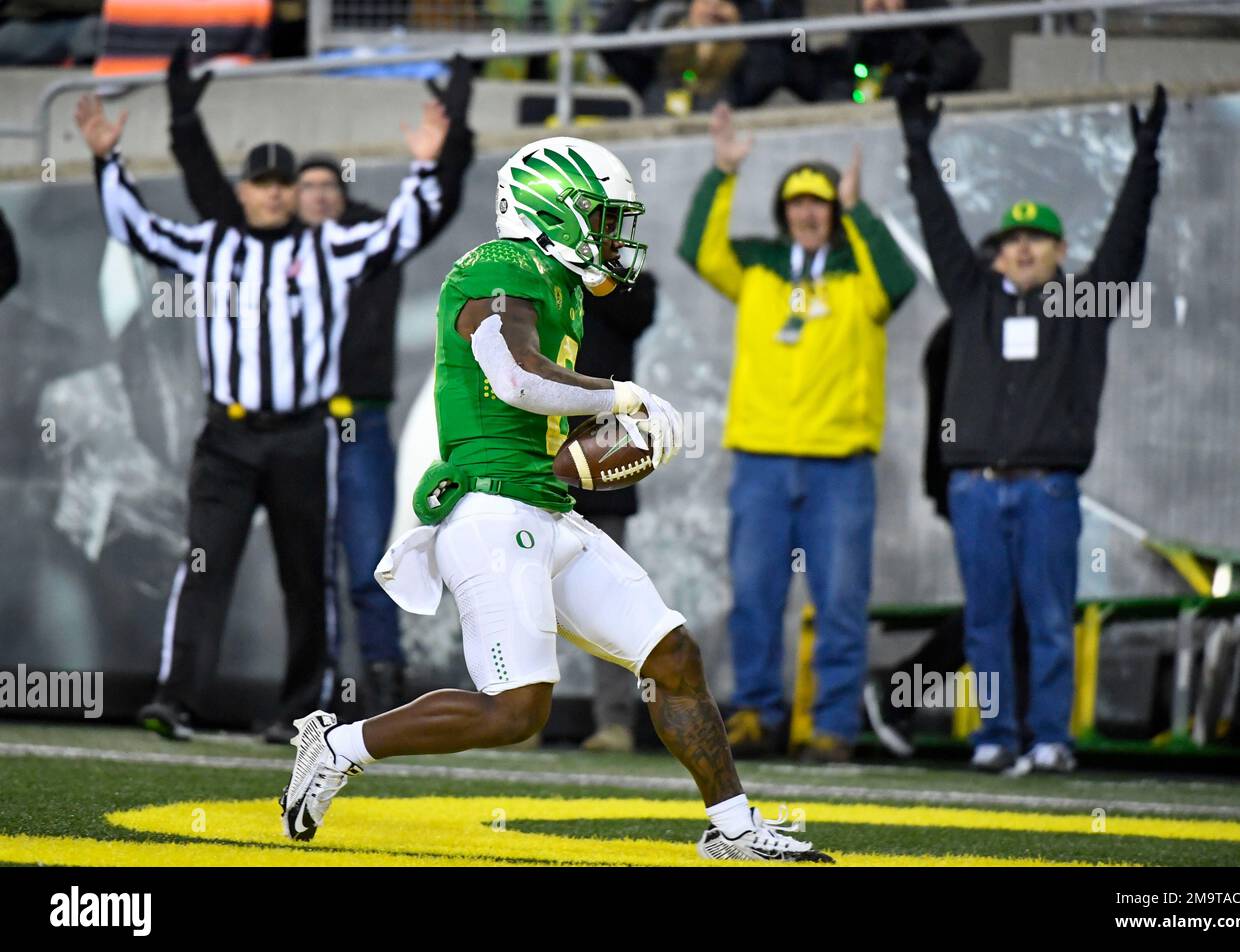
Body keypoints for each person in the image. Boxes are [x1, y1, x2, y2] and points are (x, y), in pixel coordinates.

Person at [279, 136, 835, 862]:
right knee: (516, 711)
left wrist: (619, 437)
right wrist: (624, 395)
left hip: (543, 505)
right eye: (601, 219)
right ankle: (338, 743)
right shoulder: (500, 264)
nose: (612, 236)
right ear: (553, 213)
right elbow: (513, 374)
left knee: (671, 655)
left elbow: (547, 412)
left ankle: (733, 829)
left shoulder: (562, 286)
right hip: (490, 512)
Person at [74, 90, 451, 744]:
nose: (274, 196)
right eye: (262, 184)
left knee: (306, 578)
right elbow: (136, 227)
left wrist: (424, 169)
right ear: (243, 191)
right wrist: (108, 163)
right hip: (227, 434)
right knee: (203, 563)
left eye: (283, 185)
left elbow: (401, 233)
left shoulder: (330, 249)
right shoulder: (211, 245)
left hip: (305, 434)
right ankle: (175, 696)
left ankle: (301, 709)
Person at [163, 49, 476, 724]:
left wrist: (455, 125)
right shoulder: (274, 250)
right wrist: (184, 117)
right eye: (302, 189)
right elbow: (211, 198)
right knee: (278, 567)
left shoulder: (363, 242)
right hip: (291, 423)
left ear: (346, 197)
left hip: (356, 418)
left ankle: (382, 688)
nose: (316, 196)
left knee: (366, 561)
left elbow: (435, 206)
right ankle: (281, 699)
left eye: (329, 186)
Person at [896, 76, 1166, 773]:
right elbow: (939, 226)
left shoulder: (1082, 306)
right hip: (976, 488)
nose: (1021, 249)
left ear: (1059, 251)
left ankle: (1050, 738)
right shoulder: (973, 297)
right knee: (986, 622)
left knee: (1048, 620)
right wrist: (917, 149)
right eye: (1012, 239)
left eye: (1036, 240)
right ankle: (996, 734)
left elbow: (1125, 246)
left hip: (1047, 487)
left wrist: (1145, 161)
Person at [677, 102, 916, 762]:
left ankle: (831, 725)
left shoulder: (859, 276)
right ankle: (757, 711)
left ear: (833, 213)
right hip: (760, 459)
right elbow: (699, 249)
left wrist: (860, 209)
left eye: (820, 204)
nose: (809, 213)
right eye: (797, 203)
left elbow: (900, 283)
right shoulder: (757, 269)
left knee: (840, 600)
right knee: (755, 597)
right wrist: (721, 175)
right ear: (784, 211)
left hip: (840, 462)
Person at [573, 271, 659, 753]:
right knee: (524, 589)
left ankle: (614, 720)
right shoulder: (535, 279)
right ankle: (516, 710)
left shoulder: (628, 284)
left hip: (602, 457)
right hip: (538, 455)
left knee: (604, 598)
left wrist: (591, 269)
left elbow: (634, 314)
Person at [597, 0, 821, 113]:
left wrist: (748, 16)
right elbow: (607, 41)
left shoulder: (744, 70)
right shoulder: (660, 59)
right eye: (704, 0)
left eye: (724, 2)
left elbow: (772, 69)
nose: (713, 6)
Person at [822, 0, 982, 102]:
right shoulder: (852, 51)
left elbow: (961, 65)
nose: (878, 1)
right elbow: (801, 68)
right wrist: (796, 28)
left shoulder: (936, 37)